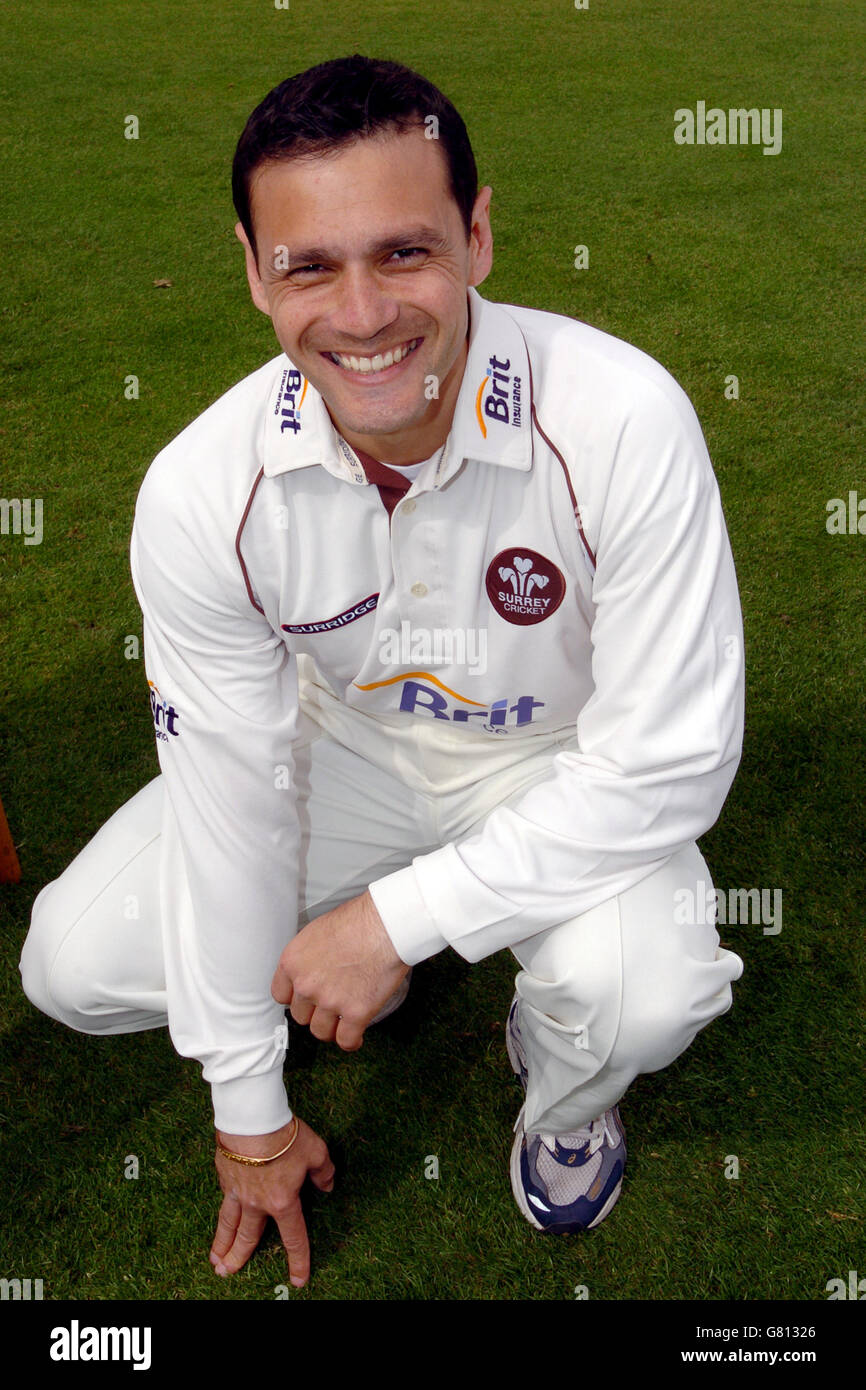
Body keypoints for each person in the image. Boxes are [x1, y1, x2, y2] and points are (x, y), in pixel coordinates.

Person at [20, 54, 745, 1290]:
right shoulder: (204, 489)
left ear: (475, 236)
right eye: (308, 265)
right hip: (339, 750)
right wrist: (249, 1103)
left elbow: (666, 765)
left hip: (557, 760)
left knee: (645, 997)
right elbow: (233, 793)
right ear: (254, 270)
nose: (360, 315)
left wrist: (394, 922)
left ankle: (561, 1093)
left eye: (403, 252)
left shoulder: (623, 416)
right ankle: (358, 951)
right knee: (69, 965)